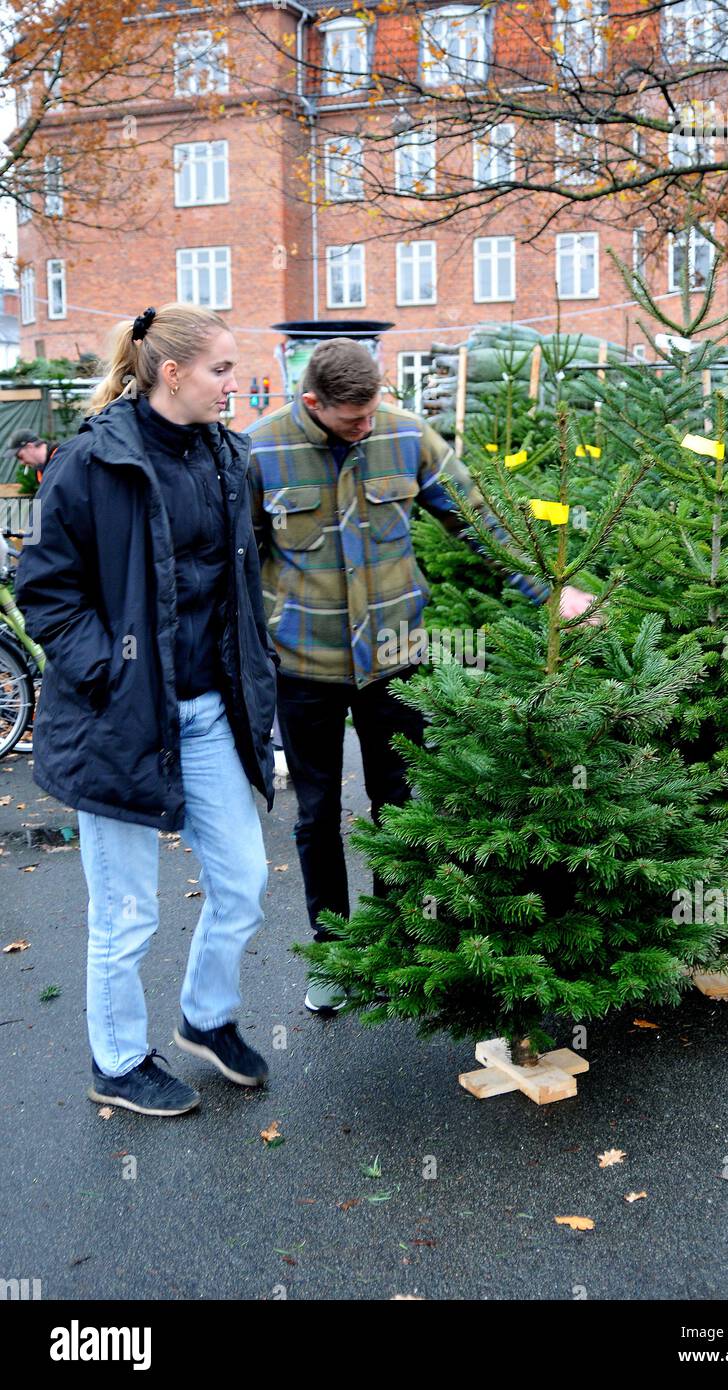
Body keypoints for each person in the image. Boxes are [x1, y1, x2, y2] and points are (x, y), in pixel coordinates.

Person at [246, 336, 598, 1014]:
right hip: (301, 667)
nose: (367, 426)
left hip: (395, 657)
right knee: (316, 814)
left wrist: (550, 588)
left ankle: (399, 945)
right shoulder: (258, 450)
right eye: (352, 420)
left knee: (399, 802)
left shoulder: (406, 434)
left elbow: (478, 520)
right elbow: (231, 557)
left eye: (373, 410)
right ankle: (334, 956)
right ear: (313, 403)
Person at [15, 303, 279, 1117]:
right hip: (119, 719)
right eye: (222, 370)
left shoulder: (226, 457)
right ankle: (118, 1061)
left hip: (209, 714)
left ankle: (205, 1017)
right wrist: (110, 672)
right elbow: (46, 590)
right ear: (172, 373)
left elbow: (241, 577)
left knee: (242, 880)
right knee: (127, 910)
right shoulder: (94, 461)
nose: (235, 384)